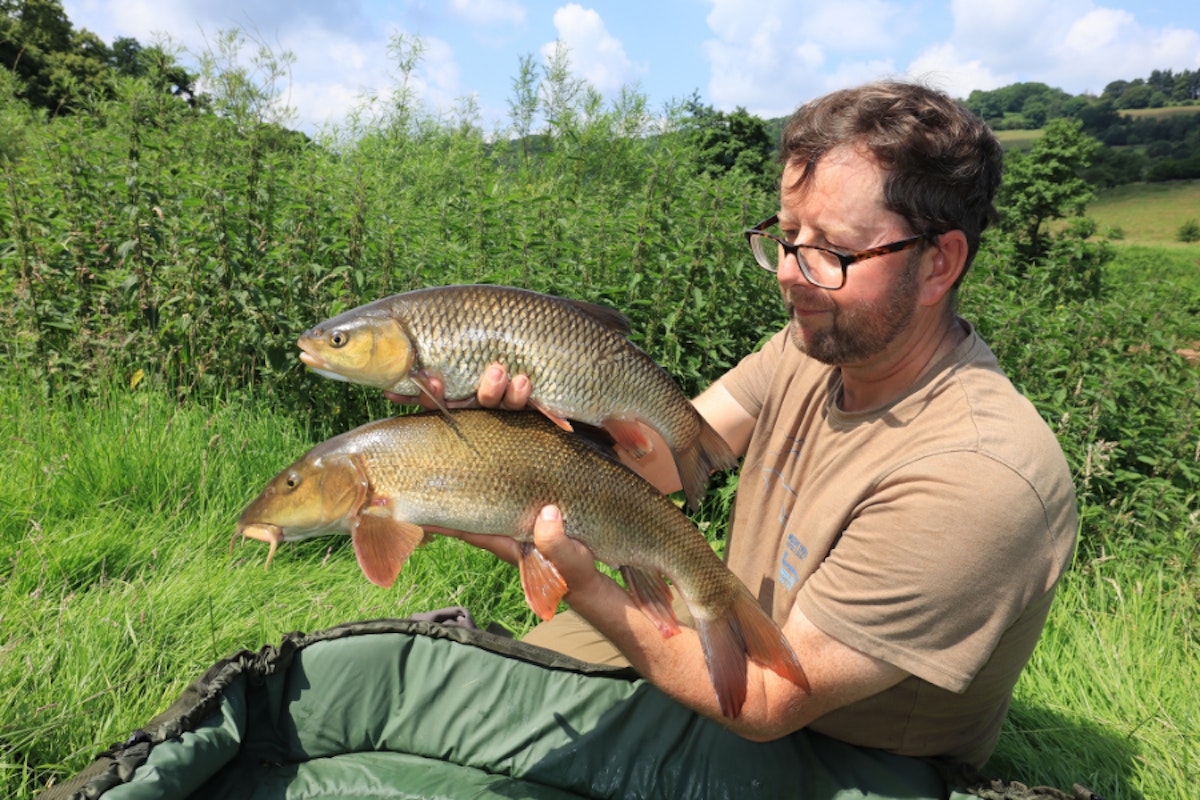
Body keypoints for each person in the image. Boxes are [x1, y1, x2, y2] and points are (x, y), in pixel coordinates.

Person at [392, 80, 1078, 774]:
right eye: (785, 237)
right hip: (719, 633)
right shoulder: (812, 349)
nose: (789, 275)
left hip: (844, 752)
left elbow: (768, 700)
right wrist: (501, 434)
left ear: (939, 264)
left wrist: (589, 585)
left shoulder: (977, 476)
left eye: (832, 251)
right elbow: (654, 466)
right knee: (419, 702)